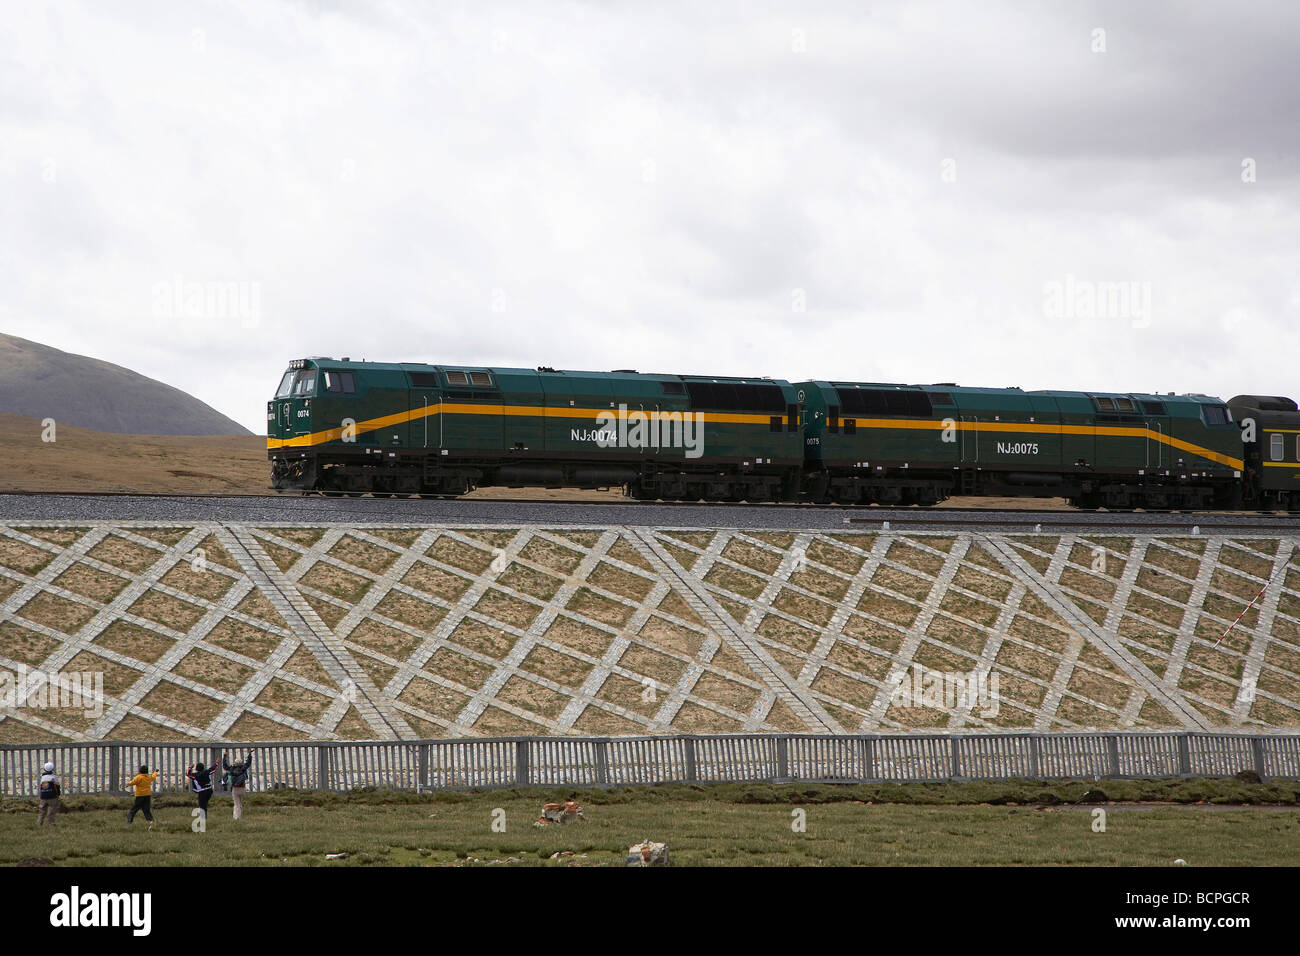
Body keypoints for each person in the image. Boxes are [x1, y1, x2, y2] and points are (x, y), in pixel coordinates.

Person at [222, 752, 254, 820]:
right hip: (242, 788)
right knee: (240, 804)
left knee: (236, 804)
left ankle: (236, 817)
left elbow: (225, 766)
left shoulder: (231, 769)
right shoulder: (243, 769)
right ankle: (238, 816)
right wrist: (249, 755)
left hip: (235, 789)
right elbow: (248, 763)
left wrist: (224, 757)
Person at [38, 761, 61, 827]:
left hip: (43, 797)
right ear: (52, 769)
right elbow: (57, 786)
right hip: (52, 797)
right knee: (51, 811)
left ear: (44, 769)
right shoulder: (53, 777)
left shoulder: (42, 778)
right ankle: (51, 824)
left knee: (42, 811)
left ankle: (39, 823)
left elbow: (40, 786)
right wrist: (58, 794)